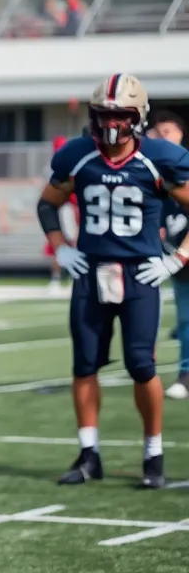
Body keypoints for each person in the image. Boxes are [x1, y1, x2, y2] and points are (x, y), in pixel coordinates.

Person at [40, 74, 189, 490]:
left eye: (120, 115)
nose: (110, 124)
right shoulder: (78, 156)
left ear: (137, 118)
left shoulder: (158, 159)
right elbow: (47, 204)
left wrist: (177, 259)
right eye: (103, 114)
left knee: (142, 365)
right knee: (84, 365)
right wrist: (61, 247)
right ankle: (89, 454)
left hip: (140, 273)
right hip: (90, 271)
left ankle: (153, 453)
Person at [146, 111, 189, 399]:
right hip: (178, 257)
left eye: (169, 131)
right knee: (186, 318)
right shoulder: (155, 170)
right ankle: (186, 374)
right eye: (158, 131)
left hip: (183, 251)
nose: (163, 137)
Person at [44, 135, 80, 295]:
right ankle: (58, 277)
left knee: (70, 242)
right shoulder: (61, 164)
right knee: (62, 243)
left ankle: (66, 276)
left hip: (70, 205)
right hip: (64, 205)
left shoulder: (71, 162)